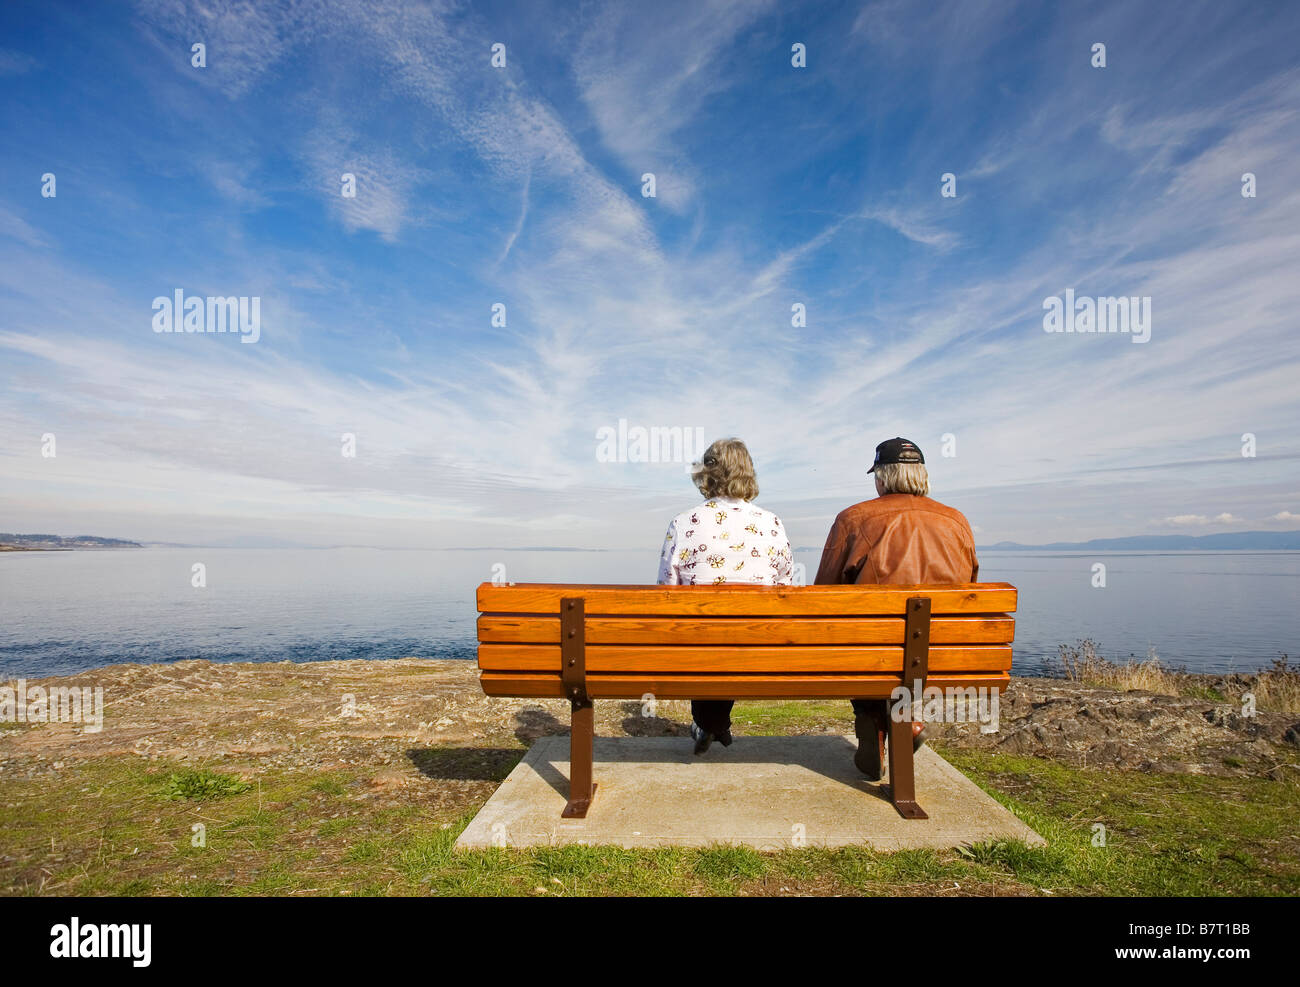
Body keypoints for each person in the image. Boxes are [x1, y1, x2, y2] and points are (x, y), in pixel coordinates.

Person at [814, 437, 979, 780]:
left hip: (872, 652)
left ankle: (874, 720)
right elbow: (971, 590)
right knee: (904, 651)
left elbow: (822, 597)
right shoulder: (957, 522)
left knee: (865, 641)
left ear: (882, 477)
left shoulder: (853, 518)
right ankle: (902, 724)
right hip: (943, 653)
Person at [657, 437, 794, 754]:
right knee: (734, 633)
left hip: (699, 643)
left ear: (706, 476)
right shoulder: (771, 523)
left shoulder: (682, 523)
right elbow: (785, 589)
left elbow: (665, 592)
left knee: (704, 633)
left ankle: (709, 723)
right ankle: (714, 724)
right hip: (755, 642)